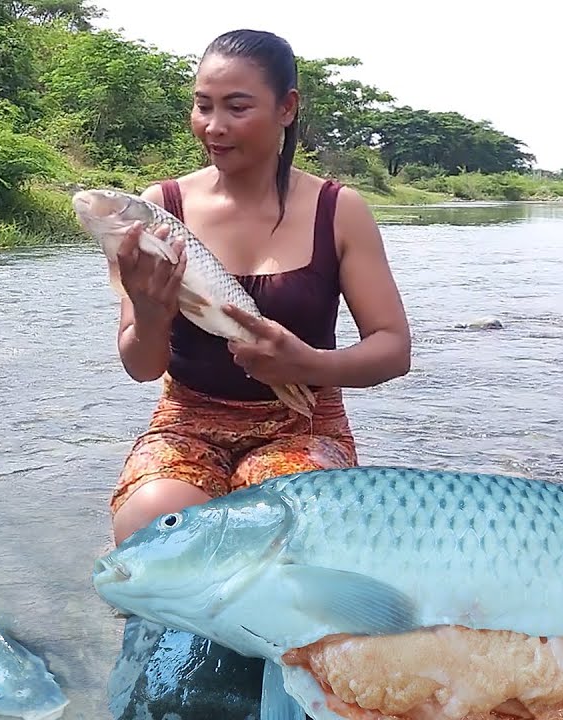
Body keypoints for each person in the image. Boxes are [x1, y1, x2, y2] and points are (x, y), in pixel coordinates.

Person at [108, 28, 412, 544]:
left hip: (303, 420)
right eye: (203, 106)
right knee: (154, 534)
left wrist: (308, 364)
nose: (214, 127)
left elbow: (393, 348)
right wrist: (150, 310)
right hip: (187, 417)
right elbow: (142, 367)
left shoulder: (338, 210)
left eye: (237, 108)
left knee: (285, 534)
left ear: (287, 108)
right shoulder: (157, 209)